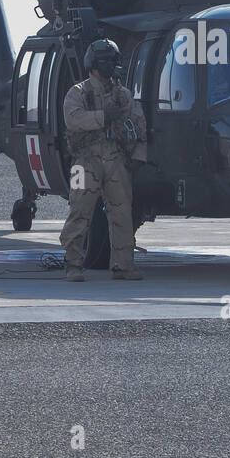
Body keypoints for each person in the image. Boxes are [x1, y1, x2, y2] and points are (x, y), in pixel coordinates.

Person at [59, 38, 147, 281]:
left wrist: (138, 155)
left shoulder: (123, 96)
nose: (111, 67)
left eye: (113, 62)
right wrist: (102, 117)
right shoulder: (77, 93)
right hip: (84, 160)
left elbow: (139, 126)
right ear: (94, 64)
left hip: (115, 158)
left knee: (122, 213)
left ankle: (123, 265)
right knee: (79, 211)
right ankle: (73, 264)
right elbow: (73, 120)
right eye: (107, 62)